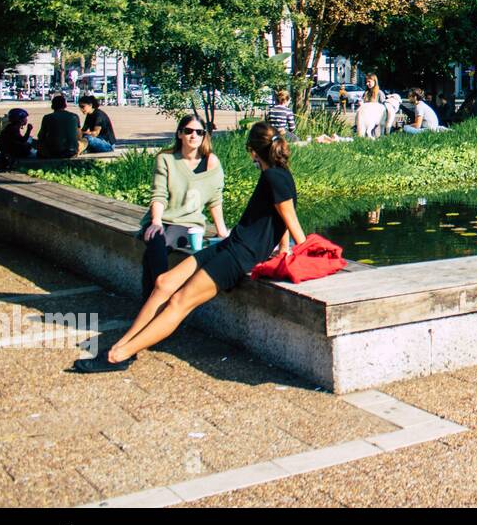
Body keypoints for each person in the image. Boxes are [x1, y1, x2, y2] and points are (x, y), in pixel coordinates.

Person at [74, 122, 305, 373]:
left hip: (239, 257)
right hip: (231, 245)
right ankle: (124, 341)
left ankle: (118, 356)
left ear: (252, 151)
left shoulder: (274, 177)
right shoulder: (275, 174)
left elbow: (289, 218)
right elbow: (281, 216)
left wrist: (303, 251)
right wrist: (283, 248)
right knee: (164, 282)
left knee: (180, 302)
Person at [137, 115, 230, 300]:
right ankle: (158, 299)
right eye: (188, 131)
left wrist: (222, 231)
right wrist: (155, 222)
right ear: (180, 134)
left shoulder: (211, 162)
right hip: (162, 219)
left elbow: (215, 199)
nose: (193, 135)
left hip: (188, 224)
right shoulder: (166, 159)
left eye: (199, 132)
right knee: (156, 240)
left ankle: (153, 301)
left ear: (204, 136)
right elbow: (159, 194)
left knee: (156, 248)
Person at [37, 94, 80, 159]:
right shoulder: (74, 116)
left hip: (53, 152)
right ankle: (77, 152)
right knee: (85, 141)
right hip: (72, 151)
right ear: (65, 105)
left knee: (34, 142)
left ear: (52, 106)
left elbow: (41, 136)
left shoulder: (47, 117)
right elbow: (79, 135)